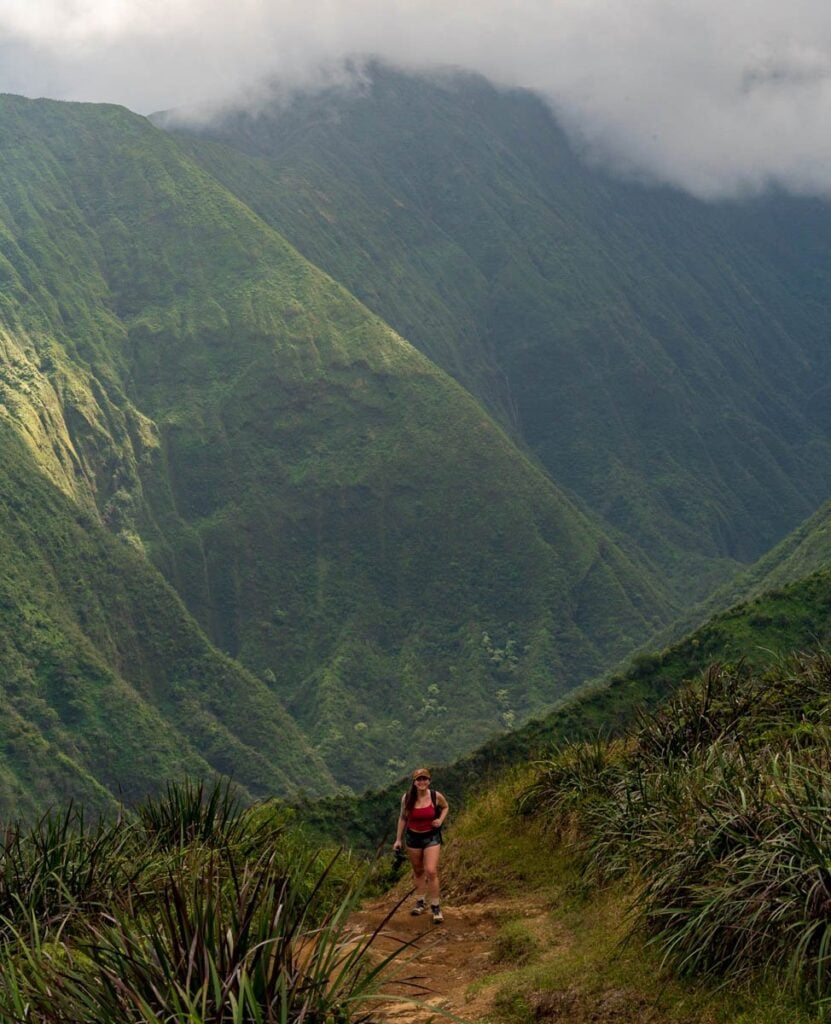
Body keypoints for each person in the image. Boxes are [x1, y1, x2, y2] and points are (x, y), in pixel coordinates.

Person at [393, 767, 449, 923]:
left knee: (431, 871)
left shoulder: (435, 796)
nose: (422, 782)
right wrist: (398, 839)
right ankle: (420, 901)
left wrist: (440, 820)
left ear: (429, 781)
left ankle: (436, 907)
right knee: (418, 871)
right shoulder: (408, 798)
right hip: (413, 838)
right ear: (414, 782)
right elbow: (403, 818)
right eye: (419, 779)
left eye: (425, 779)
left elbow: (445, 807)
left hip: (431, 837)